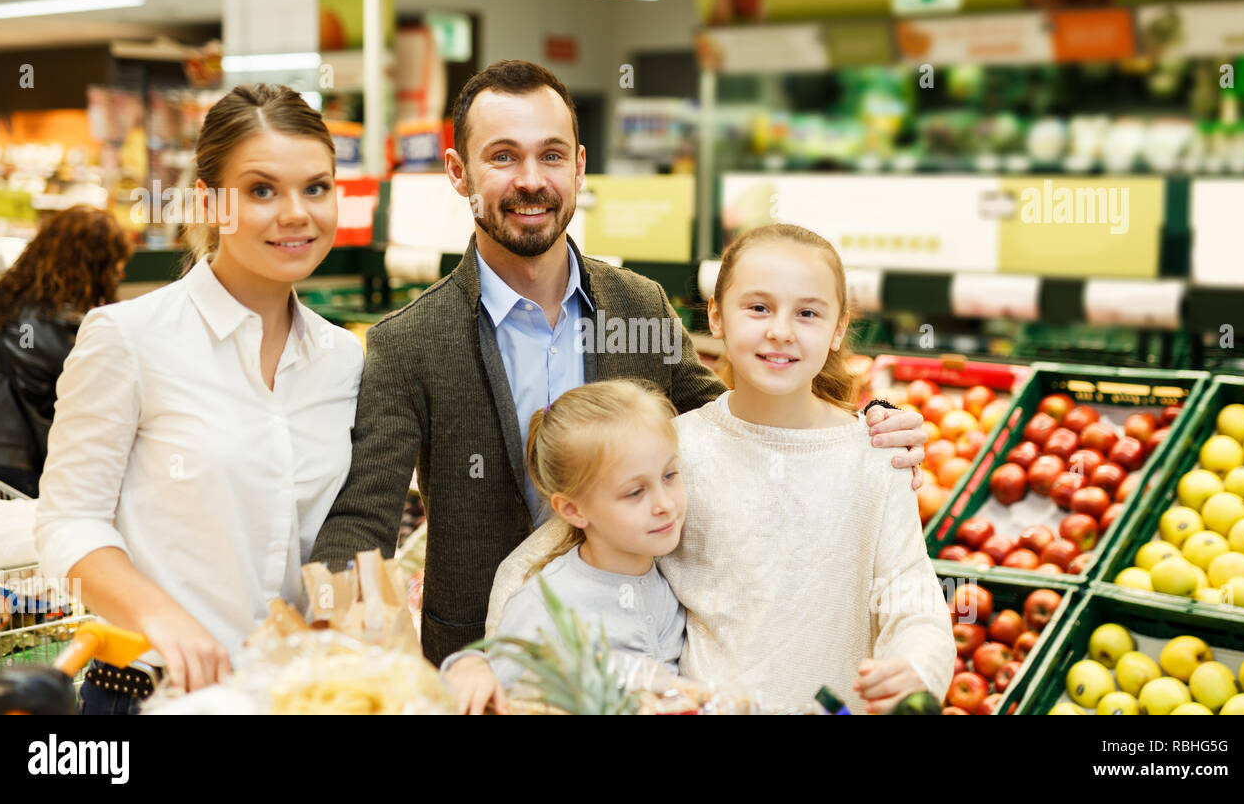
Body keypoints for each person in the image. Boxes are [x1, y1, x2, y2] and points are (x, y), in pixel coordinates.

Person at [307, 59, 926, 667]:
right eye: (502, 157)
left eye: (551, 155)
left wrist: (864, 424)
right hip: (484, 664)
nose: (530, 179)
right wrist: (336, 662)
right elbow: (362, 520)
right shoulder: (410, 343)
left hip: (646, 654)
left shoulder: (638, 306)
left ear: (579, 168)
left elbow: (737, 421)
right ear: (458, 172)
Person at [34, 83, 364, 713]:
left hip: (294, 697)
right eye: (262, 190)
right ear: (210, 202)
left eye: (316, 187)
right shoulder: (129, 338)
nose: (296, 213)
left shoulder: (341, 359)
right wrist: (162, 616)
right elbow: (67, 521)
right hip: (152, 695)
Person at [658, 223, 955, 713]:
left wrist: (918, 665)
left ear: (839, 329)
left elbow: (911, 593)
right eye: (758, 307)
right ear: (716, 316)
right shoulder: (676, 449)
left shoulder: (877, 455)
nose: (780, 330)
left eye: (808, 313)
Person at [441, 380, 686, 714]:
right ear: (573, 510)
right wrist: (467, 663)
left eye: (670, 475)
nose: (665, 504)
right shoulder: (546, 604)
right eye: (635, 492)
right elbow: (490, 684)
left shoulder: (671, 579)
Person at [0, 206, 132, 497]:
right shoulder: (55, 326)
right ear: (92, 264)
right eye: (114, 264)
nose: (120, 273)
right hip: (19, 470)